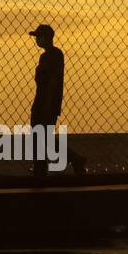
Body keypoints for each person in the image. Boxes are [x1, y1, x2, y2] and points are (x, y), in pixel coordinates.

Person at [28, 24, 87, 179]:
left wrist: (48, 104)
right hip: (42, 103)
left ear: (46, 38)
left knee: (41, 139)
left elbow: (53, 81)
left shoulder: (54, 55)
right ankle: (43, 170)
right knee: (41, 139)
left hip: (46, 104)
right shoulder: (47, 56)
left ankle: (73, 160)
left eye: (38, 37)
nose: (37, 40)